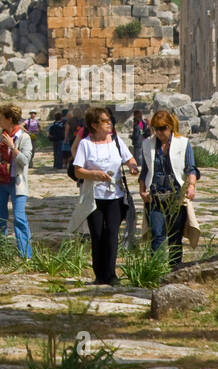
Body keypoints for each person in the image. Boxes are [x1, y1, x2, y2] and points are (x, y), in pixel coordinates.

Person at [68, 106, 140, 285]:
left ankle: (111, 274)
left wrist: (132, 166)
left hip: (115, 195)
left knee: (112, 234)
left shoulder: (116, 140)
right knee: (98, 235)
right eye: (105, 121)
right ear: (94, 125)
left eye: (110, 120)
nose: (110, 124)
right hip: (94, 196)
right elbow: (77, 171)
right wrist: (94, 174)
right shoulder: (86, 144)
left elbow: (129, 158)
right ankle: (99, 274)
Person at [139, 110, 200, 270]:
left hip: (176, 196)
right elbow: (144, 171)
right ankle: (156, 270)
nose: (159, 133)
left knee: (175, 236)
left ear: (170, 126)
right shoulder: (147, 144)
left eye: (163, 128)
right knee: (157, 234)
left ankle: (174, 270)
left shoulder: (183, 143)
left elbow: (191, 168)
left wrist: (191, 186)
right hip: (155, 196)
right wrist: (142, 190)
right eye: (156, 128)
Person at [0, 104, 34, 258]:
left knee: (19, 217)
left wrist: (12, 147)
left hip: (17, 182)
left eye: (1, 117)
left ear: (9, 119)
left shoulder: (24, 137)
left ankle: (26, 255)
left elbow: (25, 161)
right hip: (1, 181)